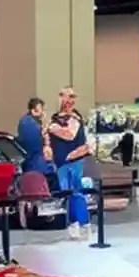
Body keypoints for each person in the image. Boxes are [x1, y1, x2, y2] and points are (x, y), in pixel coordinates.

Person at [48, 86, 92, 240]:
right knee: (67, 193)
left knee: (76, 192)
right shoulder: (55, 118)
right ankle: (73, 224)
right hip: (61, 163)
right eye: (68, 96)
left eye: (73, 97)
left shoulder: (75, 118)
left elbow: (70, 135)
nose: (70, 100)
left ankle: (84, 224)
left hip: (74, 161)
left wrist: (54, 129)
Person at [17, 97, 51, 175]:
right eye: (41, 109)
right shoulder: (28, 123)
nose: (43, 112)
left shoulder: (27, 121)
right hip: (35, 163)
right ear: (34, 110)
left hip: (33, 162)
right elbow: (38, 139)